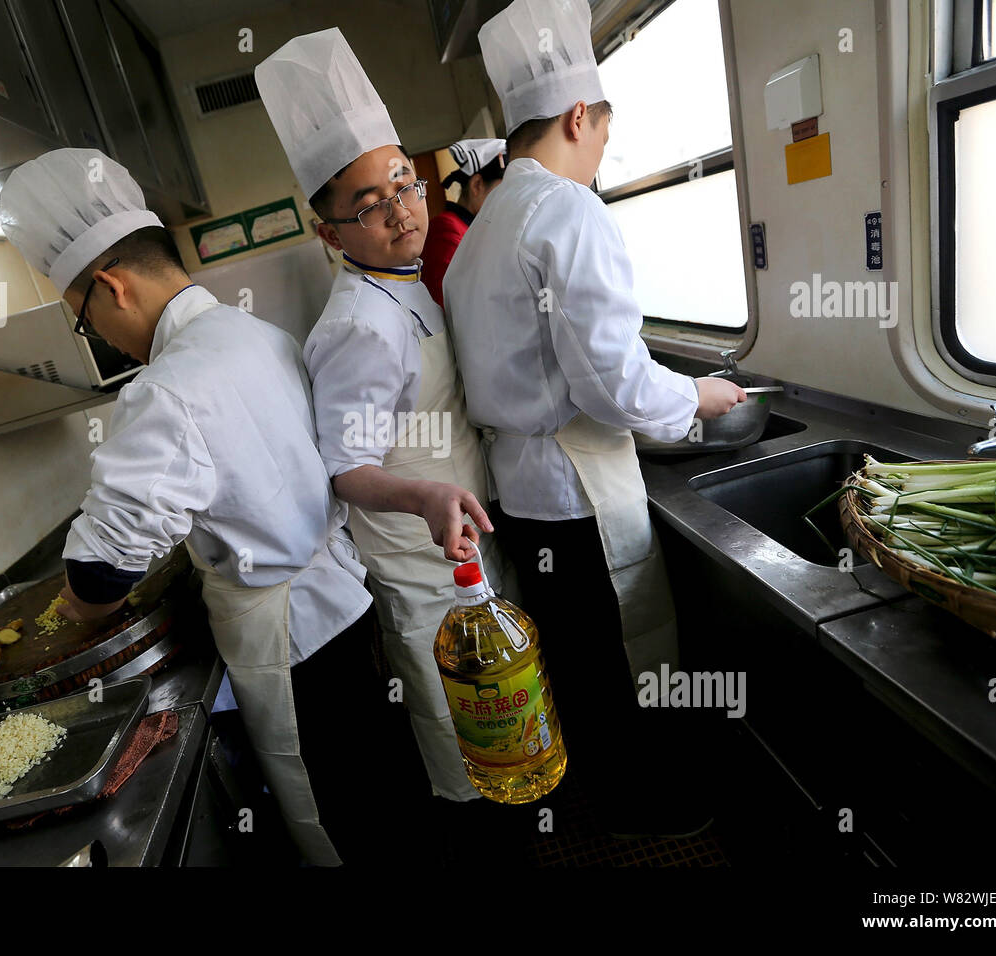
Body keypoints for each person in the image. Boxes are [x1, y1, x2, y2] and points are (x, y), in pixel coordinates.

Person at [0, 148, 421, 866]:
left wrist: (69, 619)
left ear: (111, 288)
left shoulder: (166, 387)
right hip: (348, 607)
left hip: (294, 645)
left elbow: (103, 568)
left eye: (84, 319)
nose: (97, 334)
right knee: (389, 796)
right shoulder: (257, 335)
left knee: (344, 825)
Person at [443, 0, 746, 838]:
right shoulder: (567, 213)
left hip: (524, 493)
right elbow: (614, 386)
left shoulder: (481, 233)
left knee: (581, 662)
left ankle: (608, 802)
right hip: (576, 489)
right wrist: (697, 397)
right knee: (626, 655)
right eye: (605, 140)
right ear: (580, 116)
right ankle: (649, 817)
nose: (602, 160)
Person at [256, 29, 508, 815]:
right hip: (421, 558)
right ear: (329, 234)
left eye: (405, 183)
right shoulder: (359, 324)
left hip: (459, 539)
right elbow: (345, 469)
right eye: (370, 206)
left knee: (500, 720)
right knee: (465, 733)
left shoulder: (405, 280)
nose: (402, 212)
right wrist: (429, 500)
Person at [422, 138, 507, 307]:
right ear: (477, 185)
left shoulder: (474, 229)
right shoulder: (446, 230)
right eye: (504, 191)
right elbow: (452, 304)